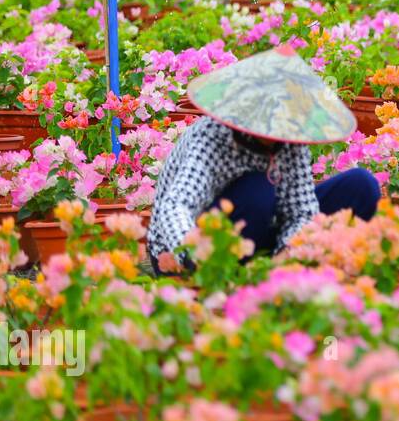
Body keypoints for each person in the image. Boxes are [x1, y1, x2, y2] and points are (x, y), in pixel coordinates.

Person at [146, 45, 381, 274]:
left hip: (262, 237)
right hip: (192, 248)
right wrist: (194, 255)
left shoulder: (290, 134)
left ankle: (279, 276)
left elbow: (301, 212)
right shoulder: (213, 134)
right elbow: (176, 205)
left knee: (361, 186)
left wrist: (287, 255)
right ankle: (232, 280)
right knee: (259, 189)